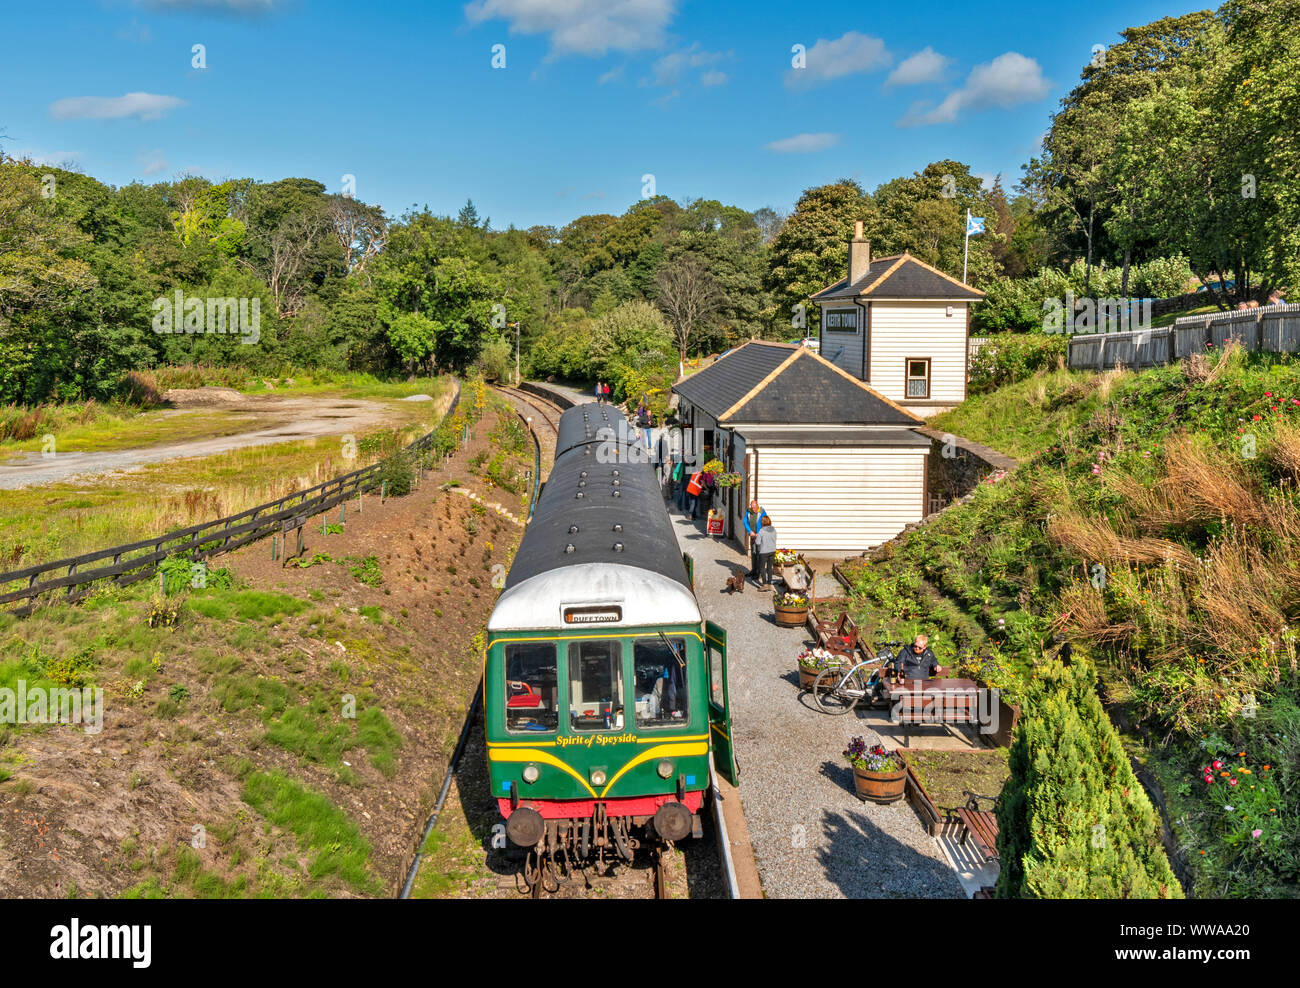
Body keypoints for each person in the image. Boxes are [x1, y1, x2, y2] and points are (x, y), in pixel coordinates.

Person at [743, 499, 770, 582]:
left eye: (754, 507)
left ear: (757, 506)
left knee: (759, 554)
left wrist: (759, 534)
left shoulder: (762, 512)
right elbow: (745, 522)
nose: (753, 509)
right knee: (753, 553)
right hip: (752, 535)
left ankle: (758, 573)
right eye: (752, 507)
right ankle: (753, 570)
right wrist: (750, 531)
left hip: (759, 536)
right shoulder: (748, 511)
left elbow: (765, 523)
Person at [755, 516, 777, 589]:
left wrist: (757, 537)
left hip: (764, 552)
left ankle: (765, 585)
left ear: (762, 522)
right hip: (773, 551)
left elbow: (757, 542)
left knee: (762, 568)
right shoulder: (774, 529)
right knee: (769, 567)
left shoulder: (761, 531)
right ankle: (770, 584)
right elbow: (775, 539)